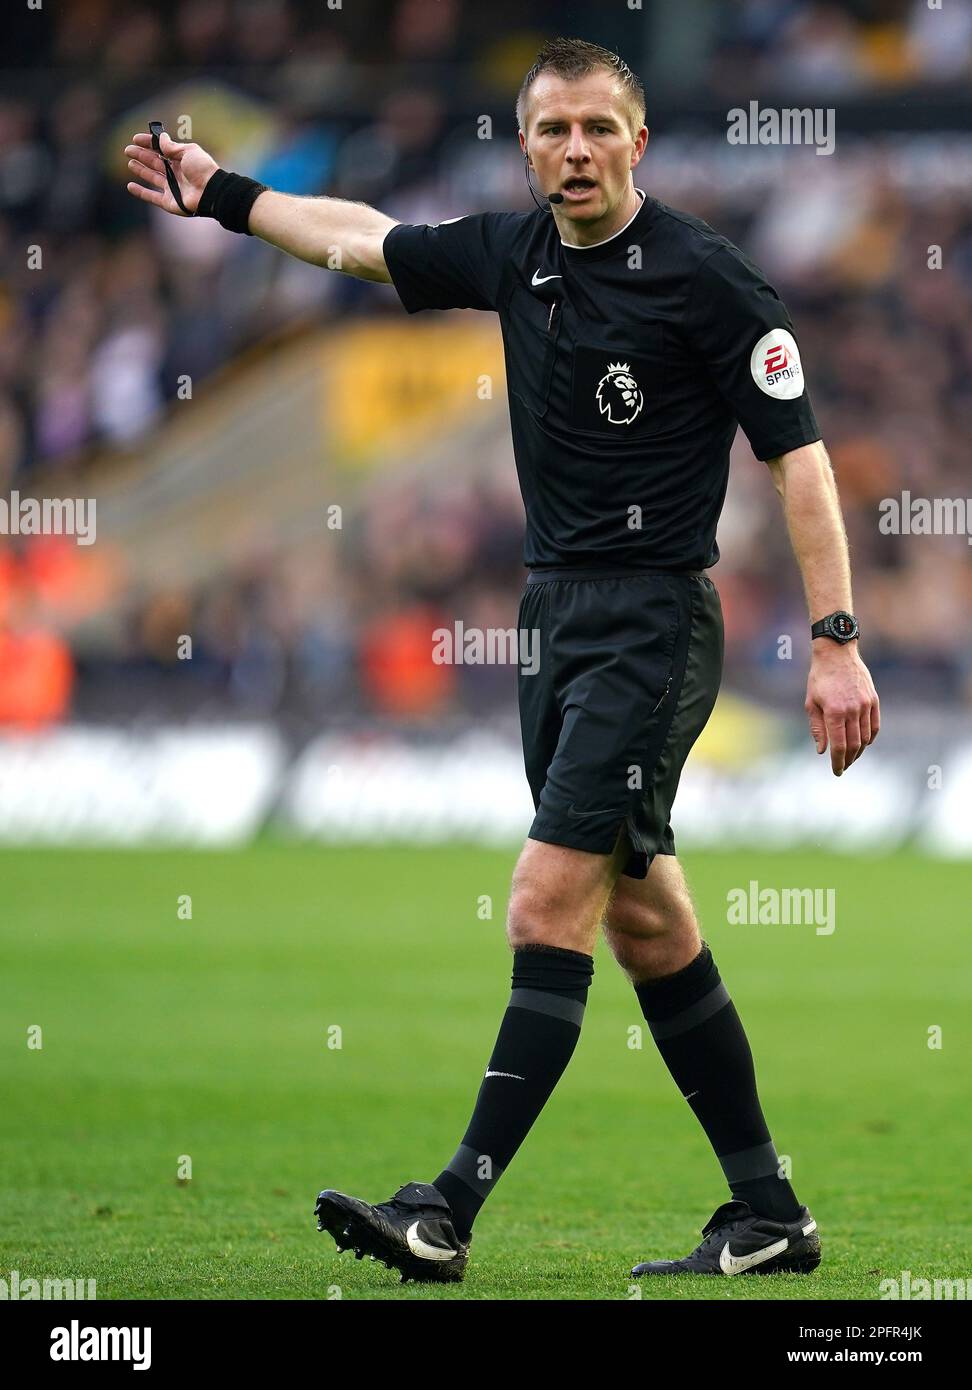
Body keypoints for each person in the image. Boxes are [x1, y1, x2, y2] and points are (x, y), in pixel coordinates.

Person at [125, 35, 880, 1286]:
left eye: (597, 129)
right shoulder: (513, 254)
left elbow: (799, 457)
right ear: (525, 146)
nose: (574, 150)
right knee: (646, 919)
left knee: (545, 900)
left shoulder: (709, 278)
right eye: (550, 131)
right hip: (555, 619)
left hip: (653, 624)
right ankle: (769, 1211)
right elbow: (360, 240)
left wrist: (837, 641)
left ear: (638, 142)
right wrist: (228, 195)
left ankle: (448, 1208)